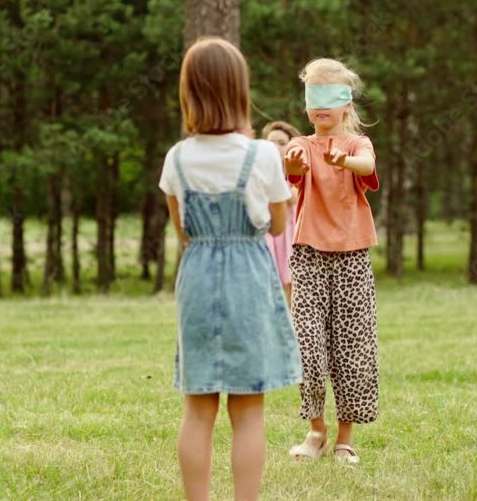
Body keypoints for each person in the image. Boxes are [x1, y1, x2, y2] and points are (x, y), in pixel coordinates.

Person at [159, 37, 302, 501]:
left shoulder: (177, 158)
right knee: (248, 409)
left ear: (189, 93)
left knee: (198, 409)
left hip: (198, 279)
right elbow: (277, 224)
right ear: (240, 91)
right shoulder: (262, 154)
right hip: (249, 278)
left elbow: (183, 230)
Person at [284, 58, 380, 464]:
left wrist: (344, 161)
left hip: (352, 256)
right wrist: (292, 164)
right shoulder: (302, 145)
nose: (322, 105)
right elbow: (290, 168)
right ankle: (316, 430)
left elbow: (368, 166)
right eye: (314, 96)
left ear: (346, 105)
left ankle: (345, 438)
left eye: (331, 96)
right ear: (307, 105)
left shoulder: (358, 144)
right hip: (308, 254)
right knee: (308, 347)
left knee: (352, 348)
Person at [262, 121, 302, 307]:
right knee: (269, 286)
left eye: (281, 143)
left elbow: (292, 198)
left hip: (290, 235)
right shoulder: (259, 172)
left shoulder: (298, 173)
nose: (275, 147)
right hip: (268, 235)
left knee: (291, 287)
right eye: (271, 142)